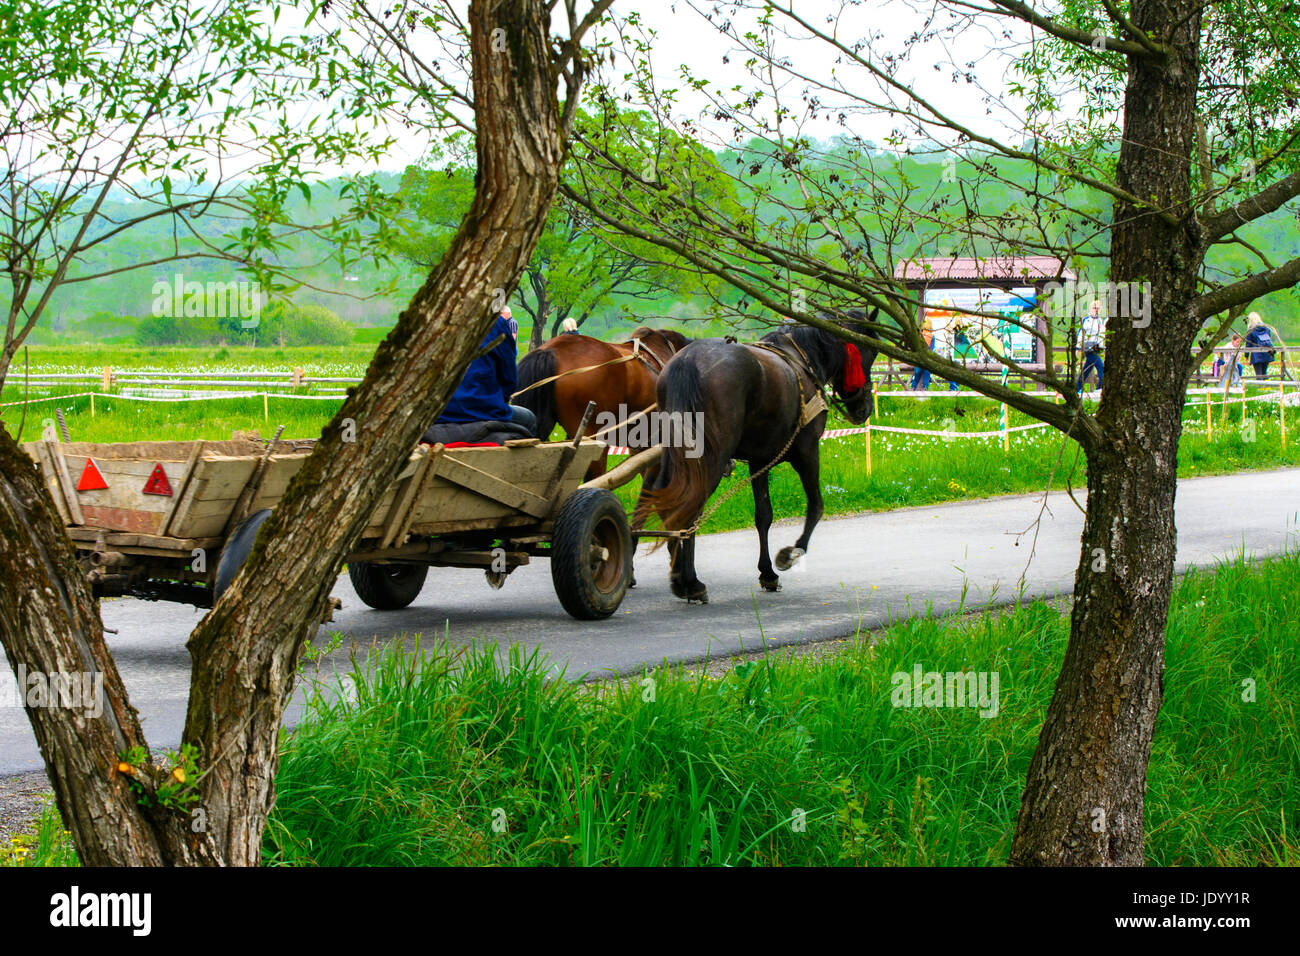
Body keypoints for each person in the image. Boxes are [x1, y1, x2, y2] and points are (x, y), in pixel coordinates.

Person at [431, 308, 537, 438]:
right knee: (529, 419)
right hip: (483, 410)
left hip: (437, 413)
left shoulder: (433, 323)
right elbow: (509, 380)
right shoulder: (496, 324)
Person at [1077, 299, 1104, 393]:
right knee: (1100, 366)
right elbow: (1080, 334)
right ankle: (1100, 387)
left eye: (1098, 308)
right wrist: (1078, 347)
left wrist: (1101, 346)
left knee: (1087, 369)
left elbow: (1101, 334)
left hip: (1096, 347)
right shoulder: (1086, 320)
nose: (1096, 310)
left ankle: (1077, 388)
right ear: (1090, 308)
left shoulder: (1100, 321)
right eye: (1094, 308)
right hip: (1087, 346)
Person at [1244, 312, 1276, 381]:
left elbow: (1248, 344)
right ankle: (1266, 387)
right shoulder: (1266, 328)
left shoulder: (1250, 330)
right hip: (1267, 353)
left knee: (1258, 374)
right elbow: (1268, 340)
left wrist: (1246, 355)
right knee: (1264, 372)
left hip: (1256, 355)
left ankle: (1260, 388)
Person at [910, 320, 934, 390]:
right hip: (927, 359)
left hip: (919, 358)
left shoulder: (919, 335)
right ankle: (925, 388)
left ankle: (912, 388)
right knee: (927, 373)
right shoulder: (932, 336)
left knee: (917, 375)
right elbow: (932, 348)